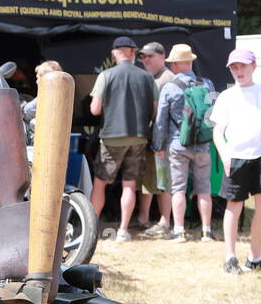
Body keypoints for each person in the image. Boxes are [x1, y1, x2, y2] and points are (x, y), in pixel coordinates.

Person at [209, 48, 261, 273]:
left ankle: (255, 257)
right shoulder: (226, 96)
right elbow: (218, 131)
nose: (238, 71)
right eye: (234, 67)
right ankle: (230, 257)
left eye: (242, 66)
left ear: (253, 67)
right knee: (234, 207)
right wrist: (225, 155)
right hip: (235, 158)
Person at [89, 36, 158, 241]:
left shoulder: (106, 75)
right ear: (133, 53)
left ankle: (91, 230)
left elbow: (95, 109)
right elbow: (154, 111)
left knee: (100, 183)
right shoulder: (147, 77)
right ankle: (123, 231)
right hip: (138, 137)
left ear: (114, 54)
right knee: (129, 184)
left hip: (111, 138)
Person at [154, 44, 216, 242]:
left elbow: (160, 120)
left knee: (178, 188)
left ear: (177, 64)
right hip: (203, 145)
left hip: (177, 145)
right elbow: (212, 114)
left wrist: (158, 146)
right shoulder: (207, 84)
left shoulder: (170, 87)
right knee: (204, 189)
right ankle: (207, 231)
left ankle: (179, 231)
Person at [137, 42, 175, 234]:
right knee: (150, 179)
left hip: (163, 140)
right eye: (143, 57)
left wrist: (159, 142)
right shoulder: (152, 78)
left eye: (150, 56)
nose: (145, 60)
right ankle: (144, 218)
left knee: (163, 181)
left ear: (163, 56)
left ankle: (165, 221)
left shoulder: (167, 79)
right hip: (153, 138)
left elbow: (161, 115)